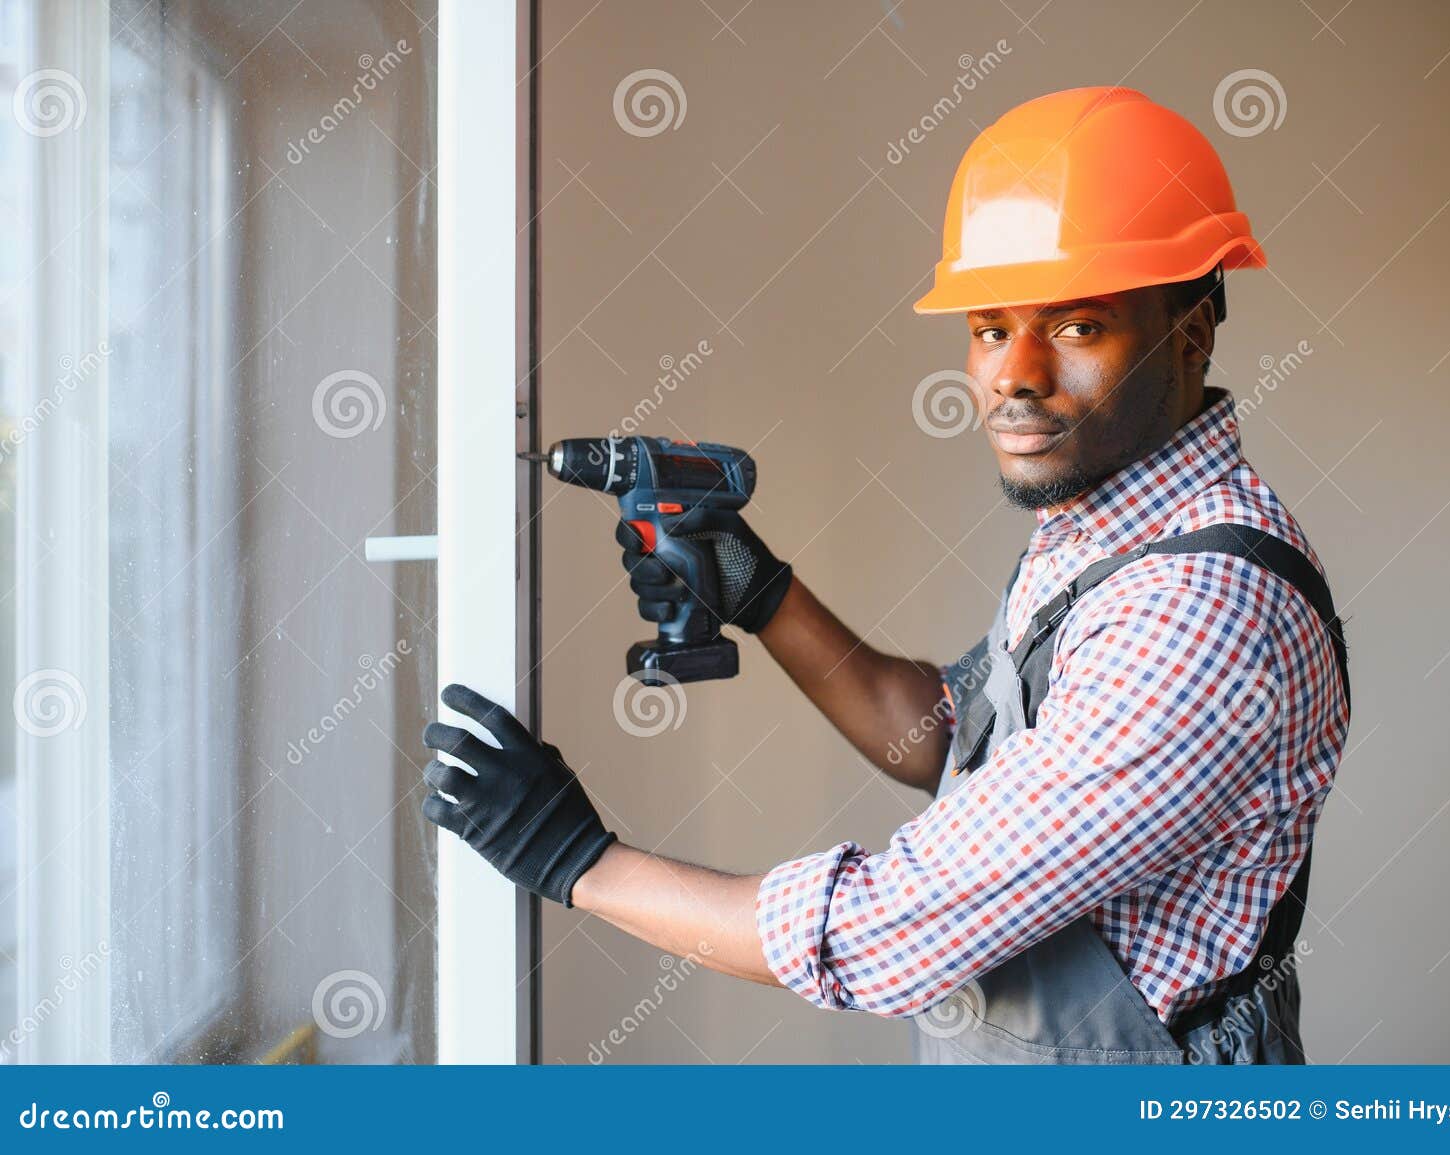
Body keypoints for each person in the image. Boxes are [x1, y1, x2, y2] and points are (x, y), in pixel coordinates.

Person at [422, 86, 1351, 1064]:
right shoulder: (1106, 529)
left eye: (1076, 327)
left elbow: (883, 934)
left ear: (1191, 334)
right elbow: (946, 739)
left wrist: (578, 863)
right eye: (990, 328)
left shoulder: (1196, 614)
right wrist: (761, 594)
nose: (1015, 373)